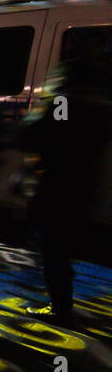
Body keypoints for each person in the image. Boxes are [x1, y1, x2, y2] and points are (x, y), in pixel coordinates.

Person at [19, 49, 112, 327]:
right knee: (69, 244)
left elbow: (33, 136)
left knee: (53, 249)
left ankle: (61, 308)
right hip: (87, 184)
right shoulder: (102, 107)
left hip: (57, 185)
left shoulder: (62, 103)